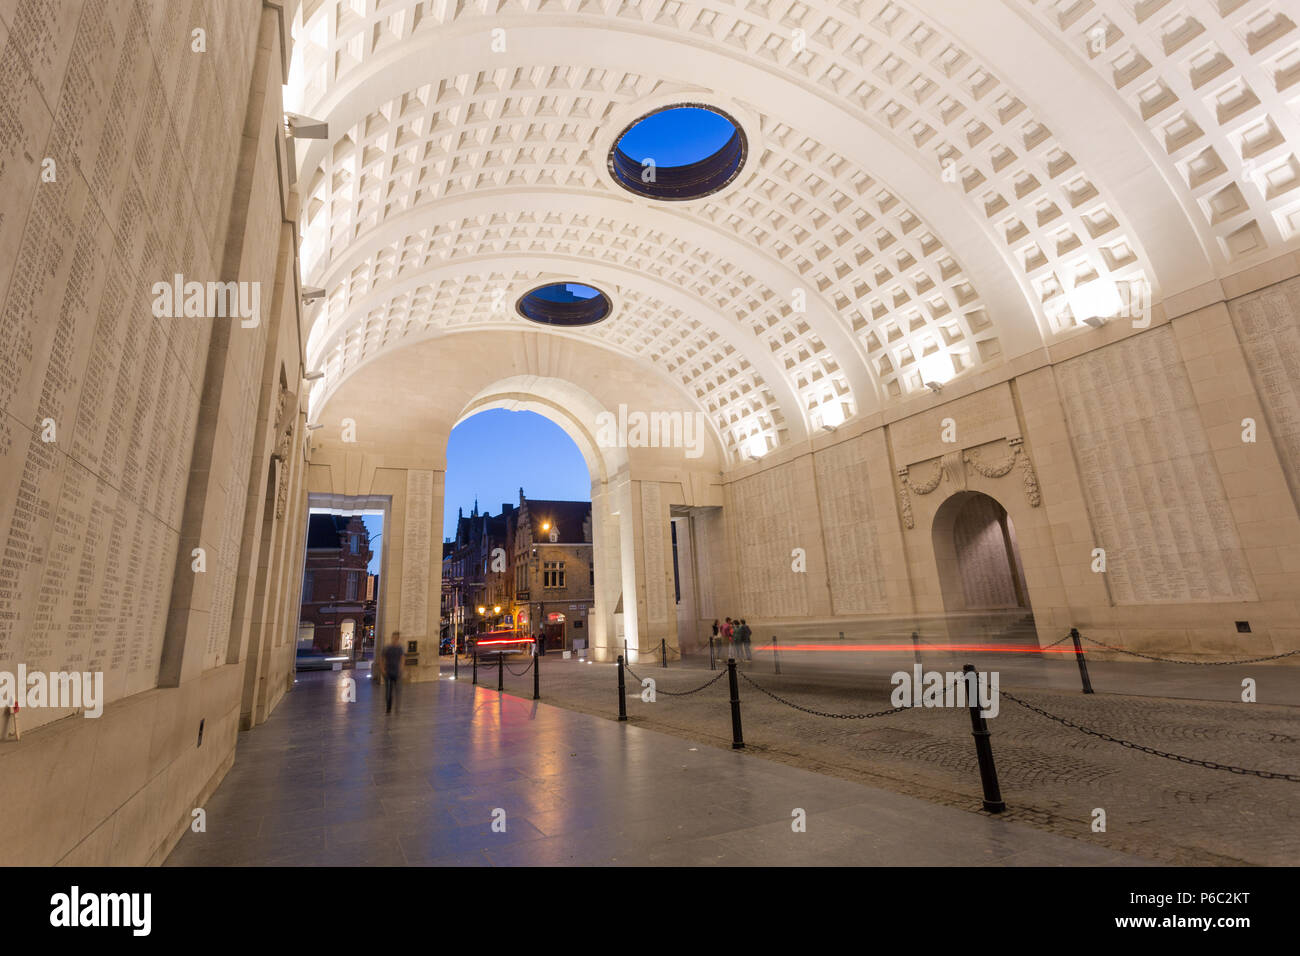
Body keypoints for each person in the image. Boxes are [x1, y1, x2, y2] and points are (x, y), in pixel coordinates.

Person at [381, 631, 404, 715]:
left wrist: (401, 669)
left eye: (396, 638)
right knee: (388, 692)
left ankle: (397, 708)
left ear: (398, 638)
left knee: (398, 691)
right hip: (388, 672)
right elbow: (382, 658)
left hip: (397, 672)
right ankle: (388, 708)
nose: (395, 639)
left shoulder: (400, 648)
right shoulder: (387, 648)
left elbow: (402, 659)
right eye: (394, 637)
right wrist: (383, 670)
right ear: (392, 638)